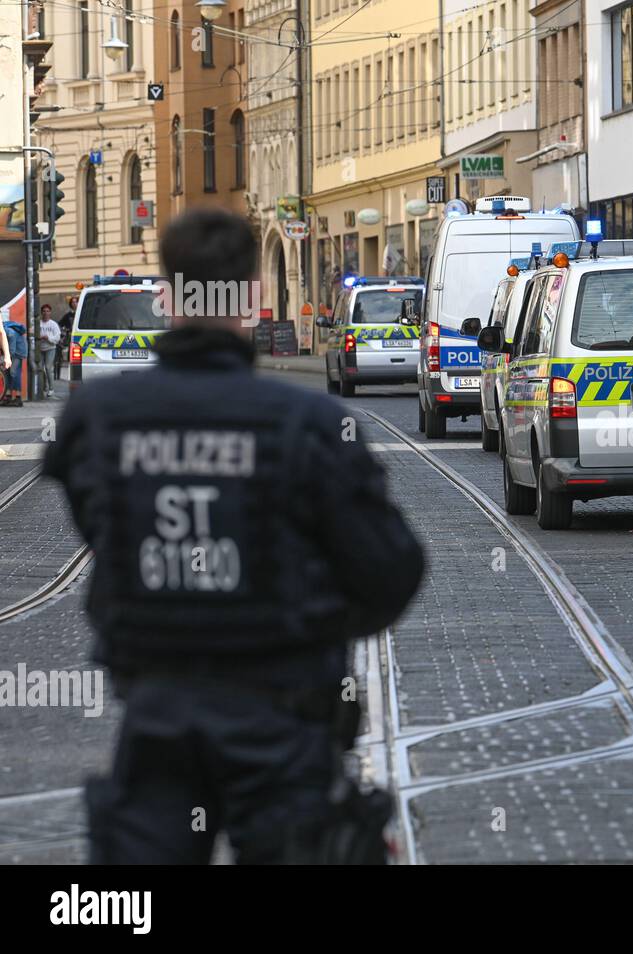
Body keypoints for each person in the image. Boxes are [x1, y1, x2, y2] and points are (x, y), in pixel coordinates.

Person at [44, 208, 425, 864]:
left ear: (168, 298)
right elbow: (391, 572)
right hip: (281, 721)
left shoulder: (98, 418)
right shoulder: (308, 423)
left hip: (157, 717)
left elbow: (102, 535)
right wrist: (308, 618)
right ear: (251, 299)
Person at [35, 304, 60, 399]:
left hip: (50, 348)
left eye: (48, 311)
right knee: (40, 368)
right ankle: (43, 387)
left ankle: (51, 388)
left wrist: (48, 338)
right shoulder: (39, 323)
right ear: (41, 313)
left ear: (50, 312)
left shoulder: (53, 324)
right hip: (40, 349)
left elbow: (57, 338)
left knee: (48, 368)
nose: (46, 313)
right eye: (44, 311)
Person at [2, 316, 24, 407]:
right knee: (7, 372)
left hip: (18, 352)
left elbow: (12, 348)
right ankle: (8, 396)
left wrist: (7, 357)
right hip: (11, 352)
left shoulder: (9, 332)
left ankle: (18, 398)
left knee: (13, 372)